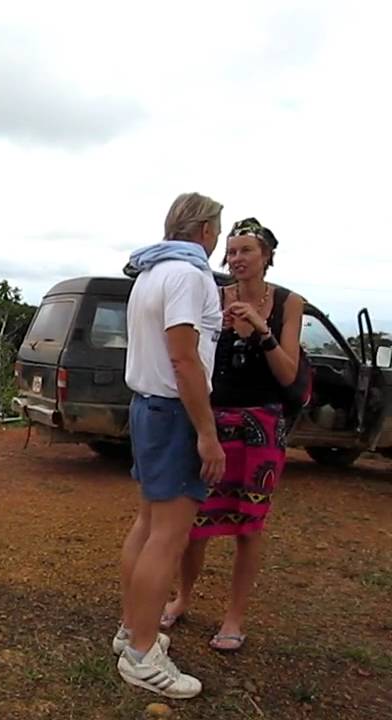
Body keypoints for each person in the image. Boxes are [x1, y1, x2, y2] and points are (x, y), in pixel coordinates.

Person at [160, 218, 303, 652]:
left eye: (247, 250)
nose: (238, 258)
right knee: (195, 521)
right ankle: (183, 597)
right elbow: (187, 358)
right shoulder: (211, 295)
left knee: (248, 526)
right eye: (233, 250)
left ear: (267, 257)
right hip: (214, 419)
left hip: (262, 425)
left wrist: (262, 330)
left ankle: (235, 617)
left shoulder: (288, 303)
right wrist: (217, 330)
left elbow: (289, 374)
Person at [114, 192, 226, 699]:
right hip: (174, 412)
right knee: (168, 536)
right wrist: (207, 433)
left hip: (148, 407)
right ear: (203, 230)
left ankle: (130, 630)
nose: (218, 239)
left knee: (148, 525)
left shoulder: (153, 271)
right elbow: (184, 360)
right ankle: (141, 653)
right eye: (217, 228)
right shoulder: (188, 275)